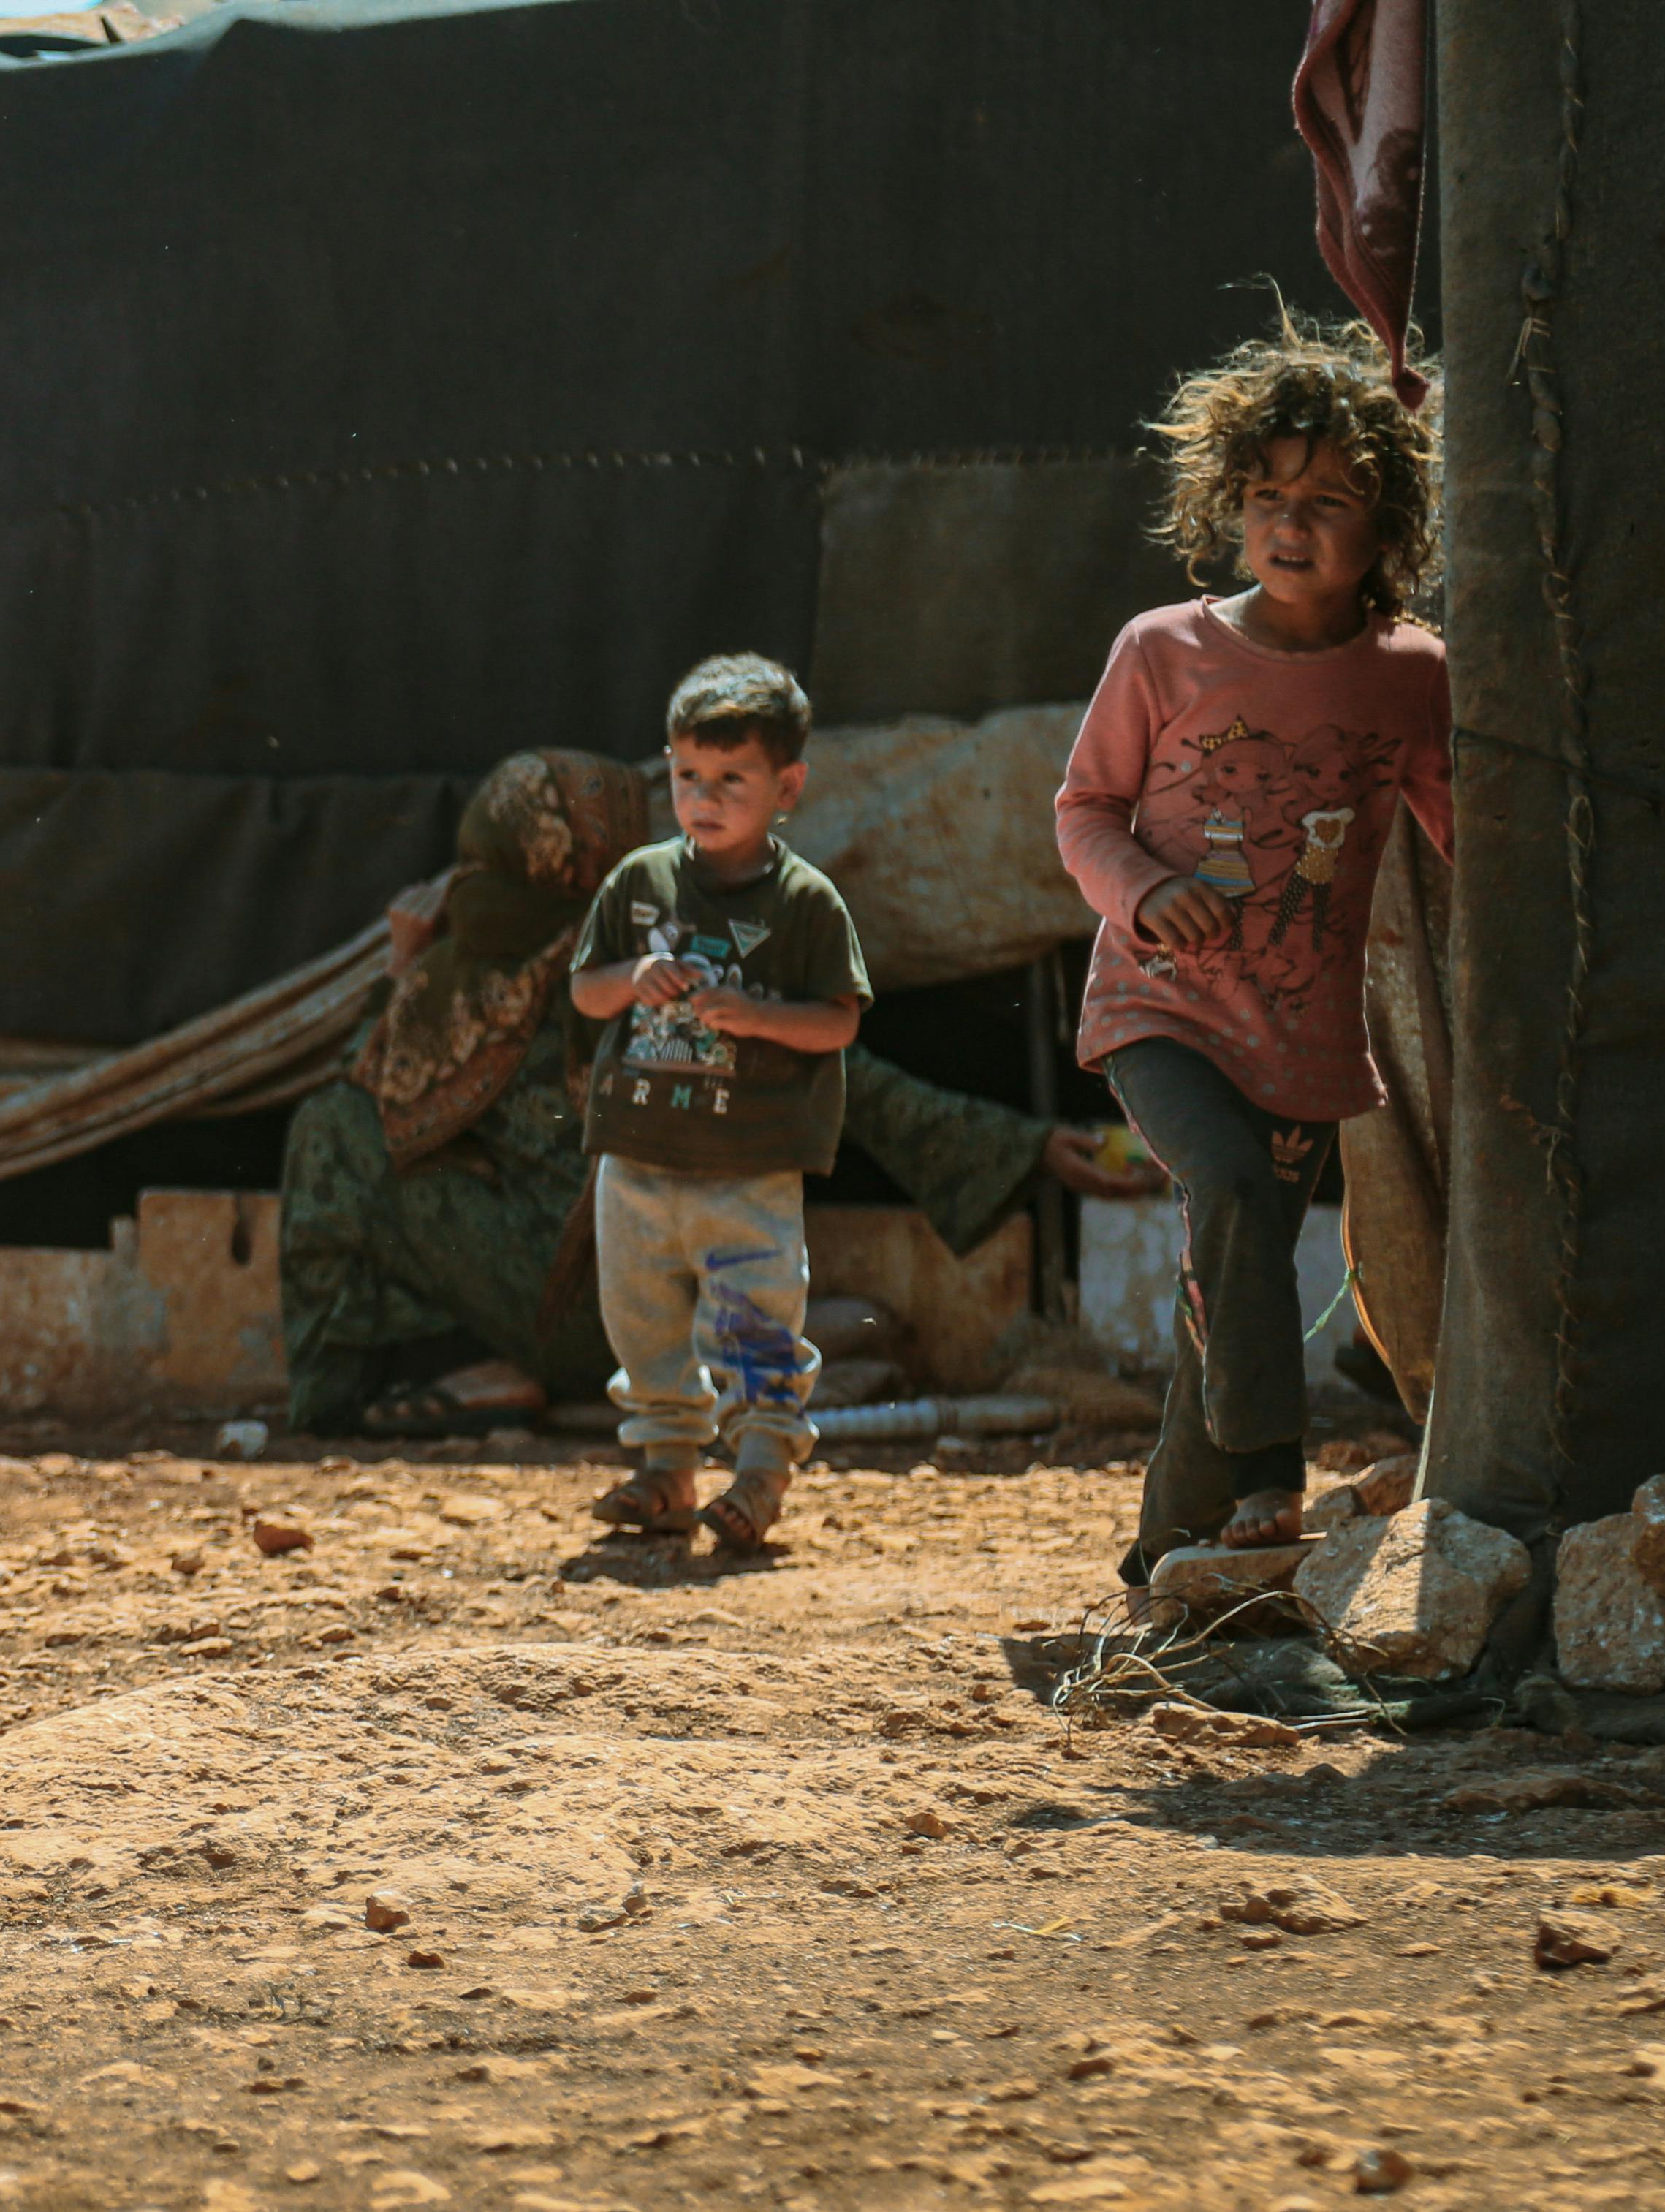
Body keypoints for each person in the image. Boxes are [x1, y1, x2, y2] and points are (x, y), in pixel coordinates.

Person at [278, 757, 1151, 1447]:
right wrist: (1028, 1144)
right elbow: (843, 1077)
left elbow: (372, 1084)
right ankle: (737, 1343)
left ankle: (372, 1385)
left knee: (332, 1129)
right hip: (643, 1299)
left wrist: (401, 966)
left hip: (565, 1316)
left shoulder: (458, 976)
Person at [1054, 311, 1451, 1576]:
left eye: (1331, 500)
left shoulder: (1407, 676)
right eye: (1269, 493)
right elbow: (1081, 811)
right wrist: (1138, 887)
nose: (1291, 522)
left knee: (1229, 1285)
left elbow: (1463, 830)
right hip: (1157, 1011)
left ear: (1383, 533)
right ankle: (1272, 1469)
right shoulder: (1160, 651)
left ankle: (1168, 1543)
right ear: (1229, 501)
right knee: (1222, 1192)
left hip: (1297, 1034)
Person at [568, 656, 860, 1550]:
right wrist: (629, 976)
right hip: (636, 1158)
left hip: (749, 1166)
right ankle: (664, 1469)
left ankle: (762, 1470)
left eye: (731, 778)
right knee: (642, 1321)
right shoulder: (637, 882)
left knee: (753, 1324)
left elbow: (839, 1022)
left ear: (786, 785)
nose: (704, 797)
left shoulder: (805, 900)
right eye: (687, 775)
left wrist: (759, 1015)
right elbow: (585, 992)